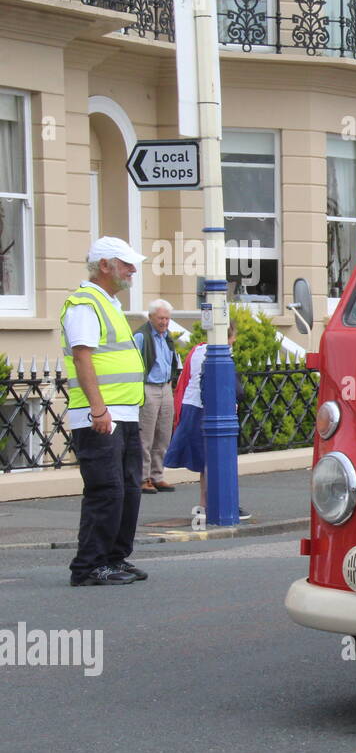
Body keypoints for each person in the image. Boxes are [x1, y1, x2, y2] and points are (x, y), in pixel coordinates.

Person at [62, 237, 149, 586]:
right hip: (101, 415)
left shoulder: (108, 302)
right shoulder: (85, 303)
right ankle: (89, 566)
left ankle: (114, 558)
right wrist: (99, 409)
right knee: (106, 490)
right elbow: (83, 357)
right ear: (104, 266)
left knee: (128, 488)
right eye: (126, 263)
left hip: (123, 413)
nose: (133, 269)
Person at [165, 320, 250, 520]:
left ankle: (205, 504)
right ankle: (220, 504)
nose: (233, 342)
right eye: (232, 338)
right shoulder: (219, 354)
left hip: (191, 408)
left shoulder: (197, 351)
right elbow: (230, 388)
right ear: (225, 337)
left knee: (206, 461)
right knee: (216, 459)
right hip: (205, 410)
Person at [133, 299, 178, 494]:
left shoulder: (167, 337)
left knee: (163, 434)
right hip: (148, 387)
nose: (164, 322)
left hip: (165, 386)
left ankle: (157, 475)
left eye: (167, 318)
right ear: (151, 317)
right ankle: (143, 478)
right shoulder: (141, 336)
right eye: (161, 318)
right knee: (146, 435)